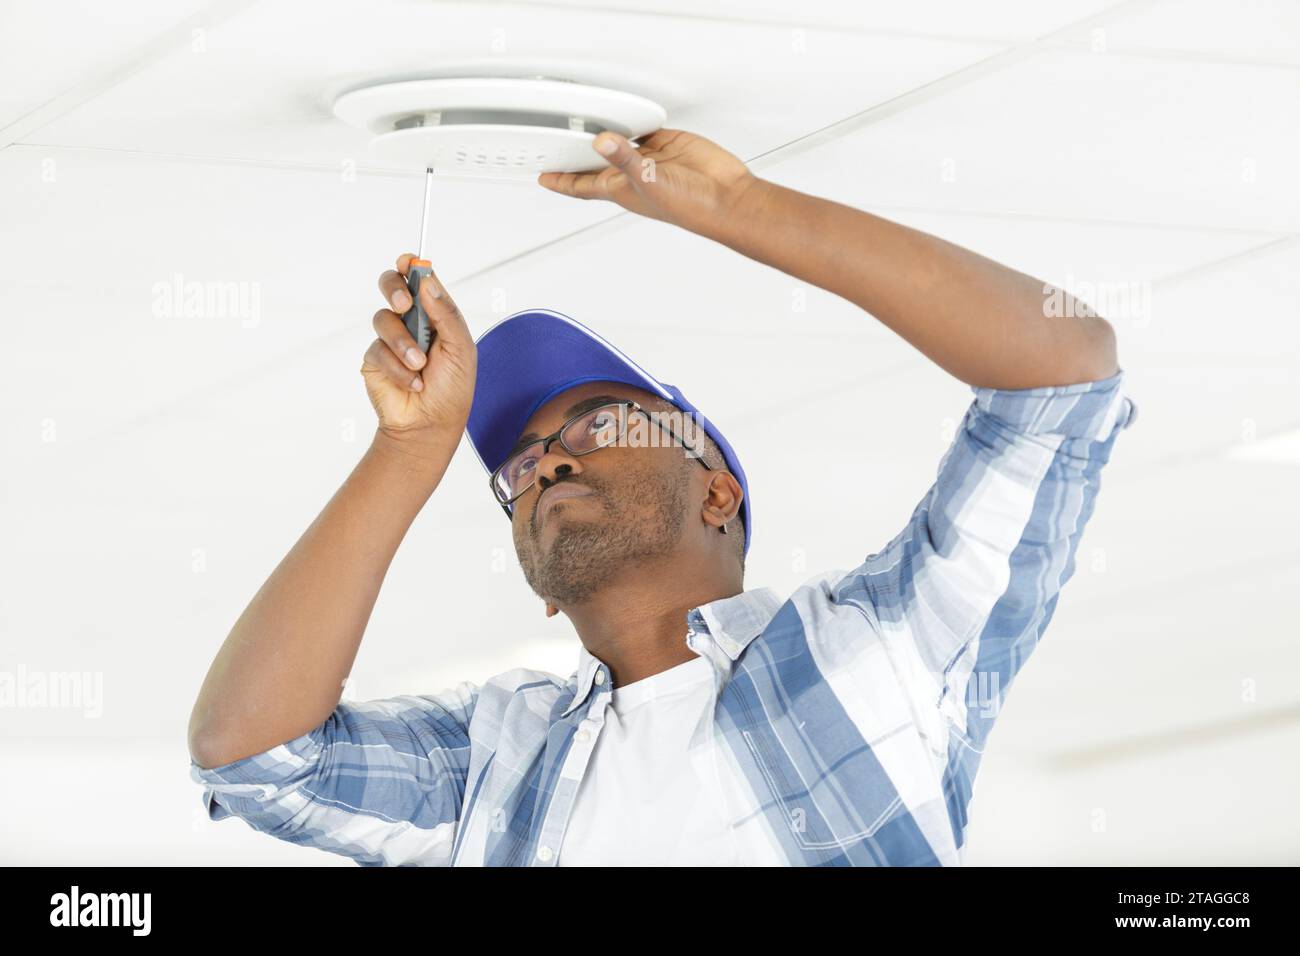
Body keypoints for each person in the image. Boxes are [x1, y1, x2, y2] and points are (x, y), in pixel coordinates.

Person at [187, 129, 1136, 866]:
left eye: (597, 423)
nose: (546, 465)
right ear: (542, 590)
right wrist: (409, 446)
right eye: (520, 469)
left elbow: (1060, 375)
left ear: (715, 490)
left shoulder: (884, 650)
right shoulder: (493, 758)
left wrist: (739, 206)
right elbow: (254, 753)